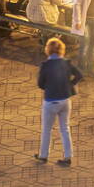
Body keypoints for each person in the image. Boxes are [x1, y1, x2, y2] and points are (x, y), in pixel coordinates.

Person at [34, 37, 83, 167]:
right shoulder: (67, 63)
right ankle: (67, 157)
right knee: (65, 128)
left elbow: (40, 84)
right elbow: (79, 75)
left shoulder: (45, 66)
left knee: (47, 130)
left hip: (50, 101)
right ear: (62, 50)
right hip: (65, 100)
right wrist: (70, 84)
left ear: (48, 50)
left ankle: (43, 155)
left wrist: (49, 87)